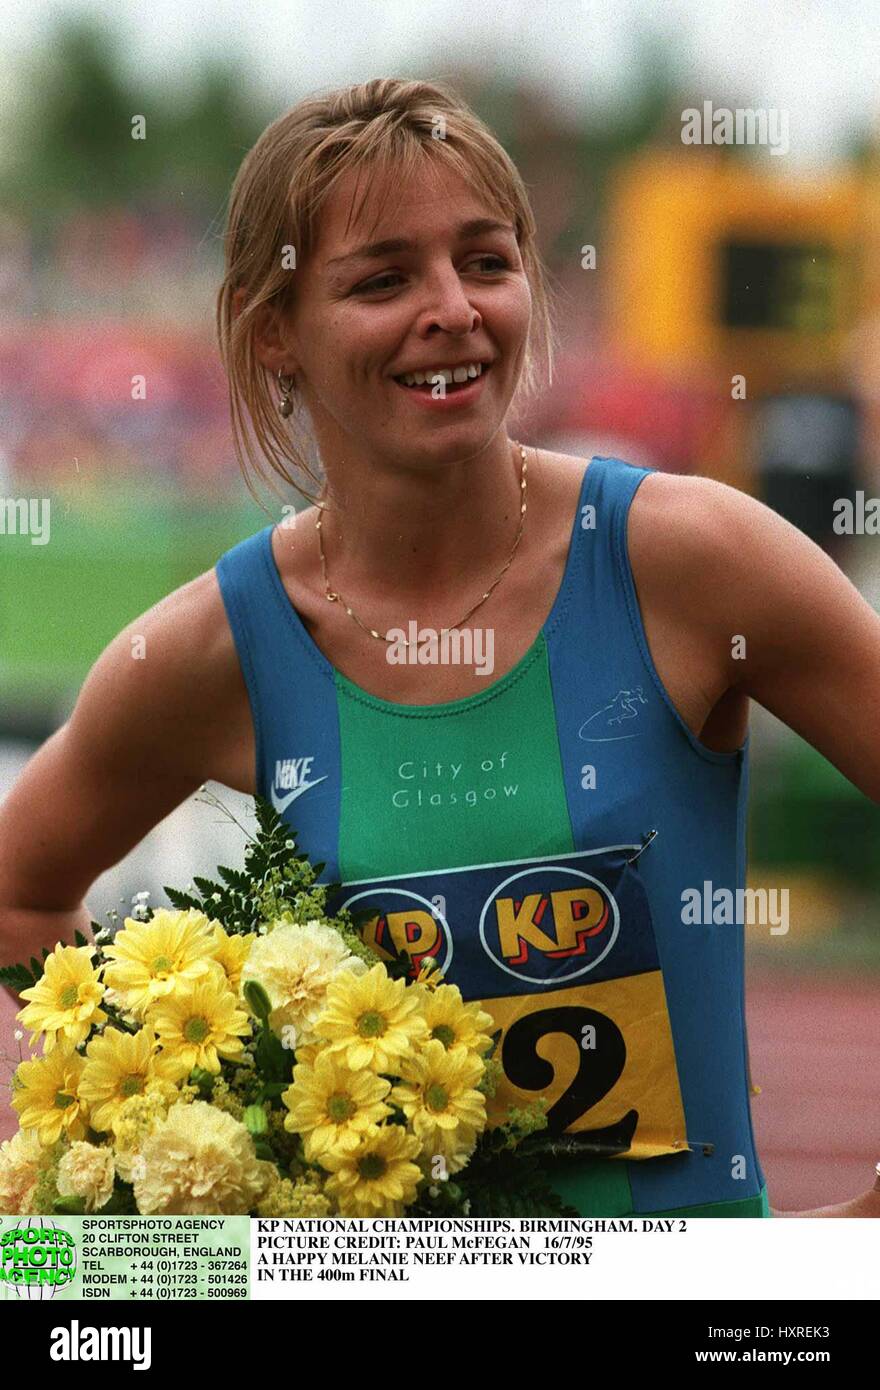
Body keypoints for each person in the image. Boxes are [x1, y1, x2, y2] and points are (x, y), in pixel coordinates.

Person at [2, 77, 879, 1218]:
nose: (452, 309)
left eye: (485, 261)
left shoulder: (698, 560)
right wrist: (163, 1106)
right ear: (275, 334)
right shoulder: (210, 648)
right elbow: (21, 895)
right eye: (381, 280)